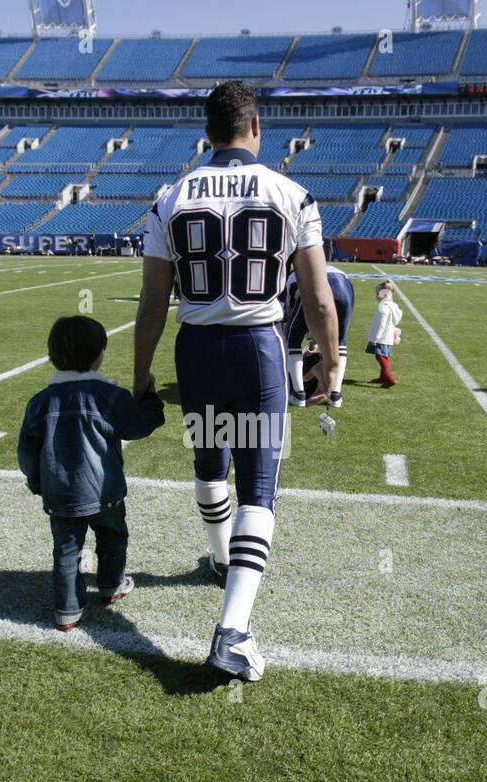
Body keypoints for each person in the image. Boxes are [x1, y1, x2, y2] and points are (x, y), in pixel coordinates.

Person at [133, 80, 340, 682]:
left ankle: (221, 559)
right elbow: (320, 298)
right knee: (259, 489)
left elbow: (151, 304)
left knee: (209, 462)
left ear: (208, 132)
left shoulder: (169, 196)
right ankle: (233, 630)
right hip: (258, 347)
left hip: (195, 348)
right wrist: (330, 362)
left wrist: (142, 371)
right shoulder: (291, 193)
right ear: (256, 127)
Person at [18, 315, 165, 632]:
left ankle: (67, 610)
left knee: (67, 549)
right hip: (104, 490)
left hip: (60, 494)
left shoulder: (40, 402)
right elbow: (139, 425)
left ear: (53, 356)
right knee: (112, 537)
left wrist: (35, 480)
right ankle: (111, 586)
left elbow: (27, 451)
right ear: (100, 354)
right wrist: (151, 398)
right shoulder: (109, 396)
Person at [284, 250, 354, 407]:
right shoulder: (336, 269)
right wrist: (316, 341)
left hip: (317, 285)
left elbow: (290, 315)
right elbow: (326, 320)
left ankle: (298, 393)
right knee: (340, 339)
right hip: (344, 285)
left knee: (291, 339)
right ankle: (335, 394)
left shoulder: (293, 275)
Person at [365, 279, 402, 388]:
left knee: (380, 356)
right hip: (388, 336)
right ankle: (382, 377)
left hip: (381, 337)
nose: (376, 296)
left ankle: (389, 378)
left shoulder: (384, 308)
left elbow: (381, 325)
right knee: (384, 356)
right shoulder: (393, 306)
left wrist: (375, 339)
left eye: (378, 294)